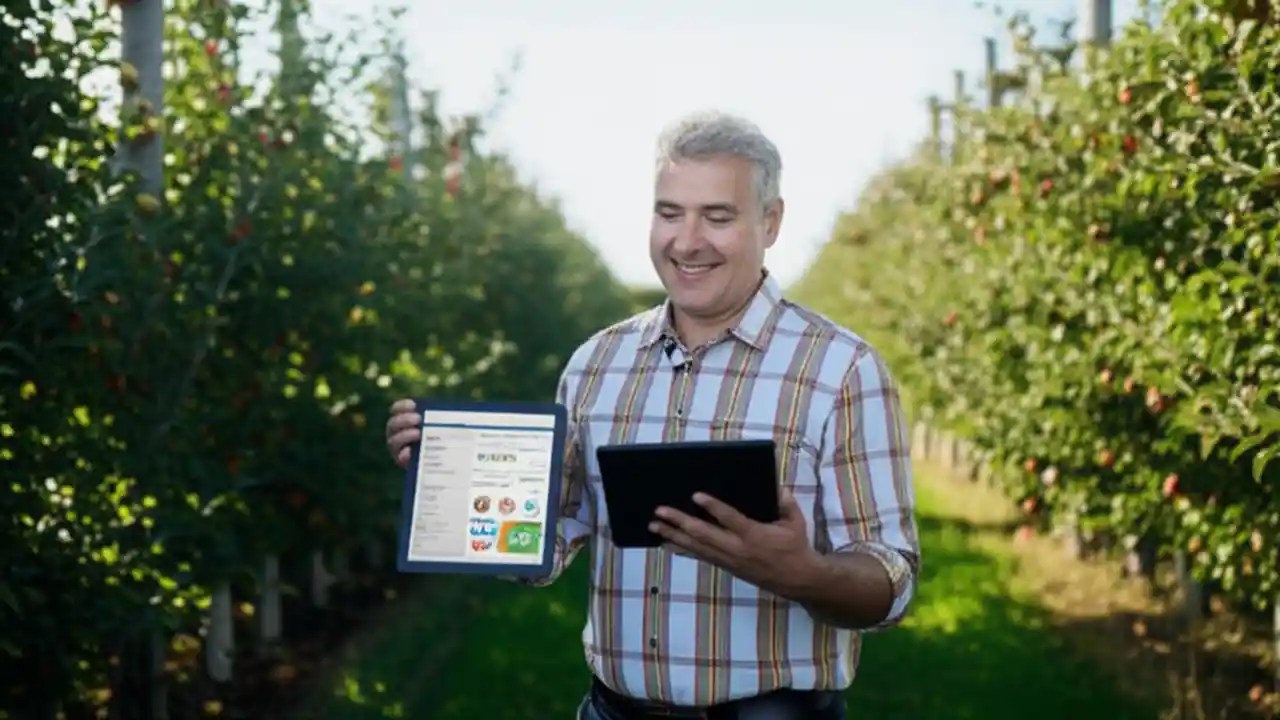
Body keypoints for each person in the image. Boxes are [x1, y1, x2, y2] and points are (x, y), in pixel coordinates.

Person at [385, 110, 920, 720]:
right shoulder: (596, 364)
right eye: (670, 212)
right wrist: (454, 478)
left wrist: (802, 572)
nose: (687, 241)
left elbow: (891, 579)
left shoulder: (841, 370)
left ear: (769, 222)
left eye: (717, 217)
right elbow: (550, 536)